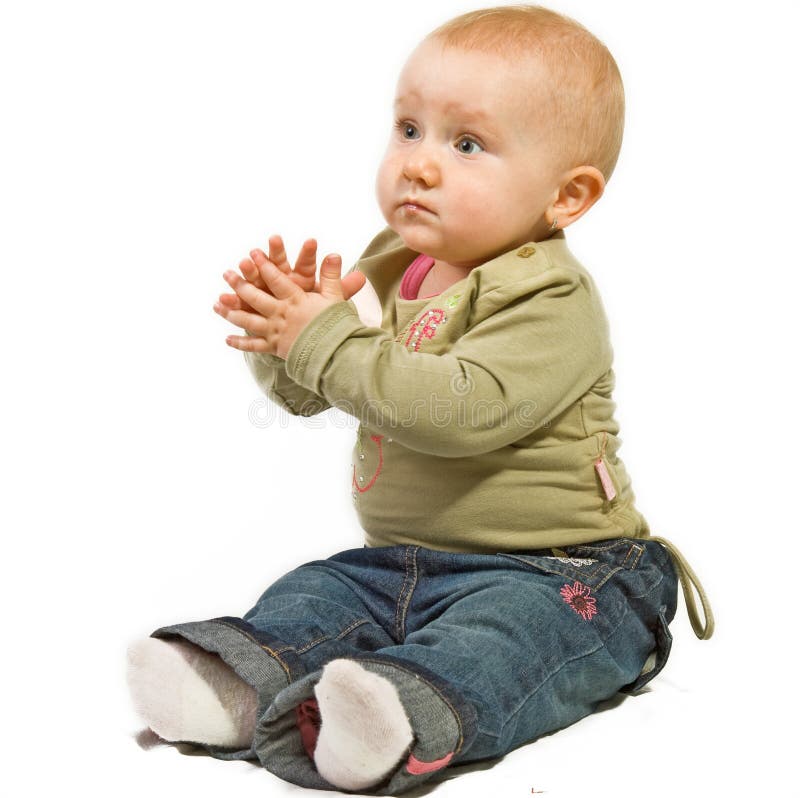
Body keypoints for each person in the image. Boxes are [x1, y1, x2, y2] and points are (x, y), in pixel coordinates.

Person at [126, 5, 714, 794]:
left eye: (466, 144)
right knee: (319, 592)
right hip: (400, 563)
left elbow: (458, 410)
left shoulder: (551, 296)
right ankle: (237, 683)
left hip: (560, 572)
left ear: (567, 196)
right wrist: (284, 337)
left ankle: (399, 712)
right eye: (409, 129)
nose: (419, 166)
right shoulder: (394, 263)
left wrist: (323, 338)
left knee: (507, 641)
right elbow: (324, 388)